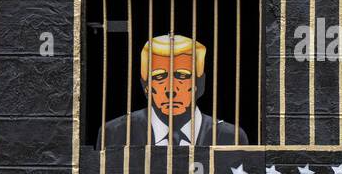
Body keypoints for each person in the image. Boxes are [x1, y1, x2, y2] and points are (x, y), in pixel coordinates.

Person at [100, 34, 248, 147]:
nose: (170, 89)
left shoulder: (230, 137)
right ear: (146, 87)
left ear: (199, 84)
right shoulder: (115, 134)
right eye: (159, 77)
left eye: (182, 75)